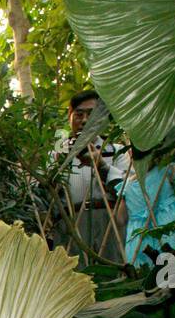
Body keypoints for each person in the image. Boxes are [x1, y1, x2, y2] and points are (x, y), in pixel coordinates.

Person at [49, 89, 131, 263]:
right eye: (79, 114)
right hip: (70, 223)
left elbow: (129, 189)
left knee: (111, 274)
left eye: (92, 115)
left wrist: (102, 166)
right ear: (70, 116)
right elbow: (42, 190)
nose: (85, 120)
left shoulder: (116, 151)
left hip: (108, 222)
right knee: (73, 279)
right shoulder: (57, 154)